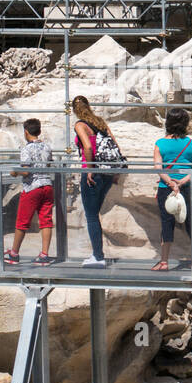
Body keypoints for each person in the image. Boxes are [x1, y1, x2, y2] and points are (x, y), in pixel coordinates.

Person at [151, 107, 192, 272]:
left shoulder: (160, 143)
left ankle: (164, 261)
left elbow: (158, 167)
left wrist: (171, 183)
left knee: (167, 224)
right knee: (191, 224)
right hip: (187, 187)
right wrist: (181, 182)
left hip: (166, 188)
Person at [72, 95, 119, 268]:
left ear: (75, 110)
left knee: (91, 215)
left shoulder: (80, 125)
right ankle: (97, 253)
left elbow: (88, 147)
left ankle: (98, 256)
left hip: (92, 172)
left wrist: (90, 169)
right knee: (95, 214)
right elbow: (115, 145)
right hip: (107, 172)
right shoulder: (100, 122)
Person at [6, 118, 55, 266]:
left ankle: (14, 253)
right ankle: (44, 254)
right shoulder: (47, 147)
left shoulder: (26, 149)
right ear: (39, 131)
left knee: (22, 221)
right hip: (47, 185)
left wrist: (15, 172)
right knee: (46, 220)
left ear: (26, 132)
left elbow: (26, 171)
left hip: (32, 187)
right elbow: (49, 163)